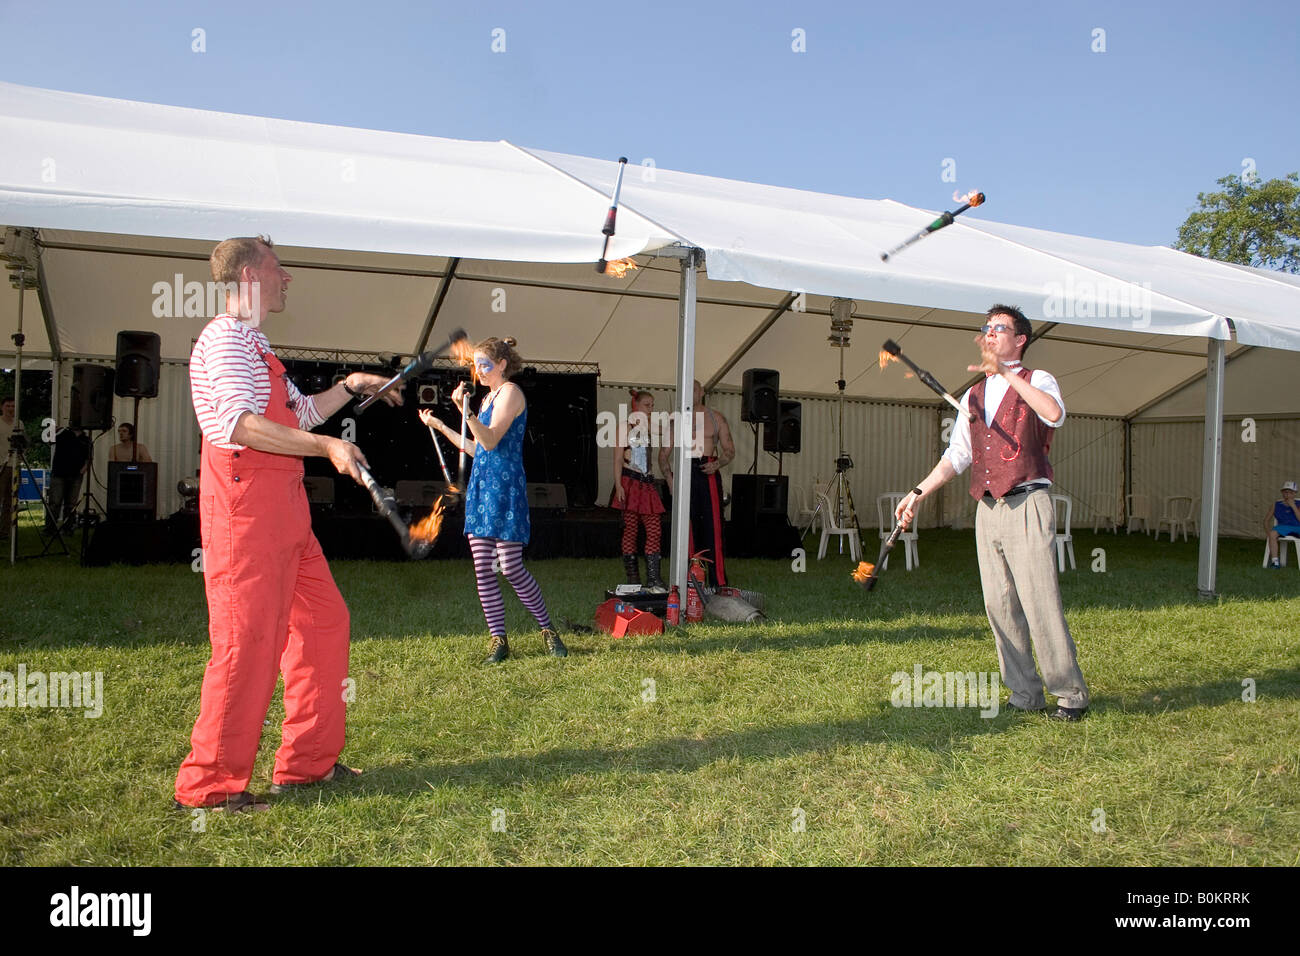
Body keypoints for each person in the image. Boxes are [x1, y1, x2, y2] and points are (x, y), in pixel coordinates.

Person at [174, 235, 401, 813]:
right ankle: (211, 788)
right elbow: (241, 426)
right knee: (245, 645)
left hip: (287, 519)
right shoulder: (223, 340)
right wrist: (327, 448)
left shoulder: (255, 346)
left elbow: (297, 413)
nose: (288, 279)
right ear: (250, 273)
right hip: (245, 516)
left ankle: (306, 766)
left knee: (325, 622)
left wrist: (351, 386)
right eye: (279, 269)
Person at [895, 304, 1090, 722]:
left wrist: (1006, 375)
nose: (989, 334)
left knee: (1039, 601)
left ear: (1019, 340)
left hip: (1026, 503)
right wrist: (919, 491)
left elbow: (1053, 414)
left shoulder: (1038, 380)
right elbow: (959, 454)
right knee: (999, 604)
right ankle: (1023, 692)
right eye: (986, 328)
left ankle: (1069, 694)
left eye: (999, 328)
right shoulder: (974, 394)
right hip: (988, 507)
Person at [424, 337, 566, 664]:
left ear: (502, 364)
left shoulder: (511, 393)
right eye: (476, 365)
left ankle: (548, 630)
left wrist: (467, 411)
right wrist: (441, 424)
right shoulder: (487, 399)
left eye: (485, 364)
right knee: (484, 569)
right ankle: (499, 640)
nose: (479, 371)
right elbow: (475, 450)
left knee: (511, 566)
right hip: (482, 487)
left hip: (504, 488)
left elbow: (489, 441)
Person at [658, 379, 735, 587]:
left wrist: (718, 463)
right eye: (685, 391)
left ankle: (718, 583)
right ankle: (688, 581)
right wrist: (670, 480)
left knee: (713, 527)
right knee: (686, 529)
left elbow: (730, 450)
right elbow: (663, 455)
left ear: (701, 392)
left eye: (692, 390)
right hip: (684, 472)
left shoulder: (715, 417)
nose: (689, 394)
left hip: (707, 470)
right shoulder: (676, 420)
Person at [612, 388, 667, 590]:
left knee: (654, 529)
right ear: (636, 405)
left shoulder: (649, 427)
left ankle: (653, 578)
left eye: (653, 406)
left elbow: (666, 429)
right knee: (630, 530)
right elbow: (618, 458)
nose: (651, 409)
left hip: (647, 483)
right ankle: (633, 578)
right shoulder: (623, 427)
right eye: (647, 405)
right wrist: (618, 485)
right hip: (629, 482)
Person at [45, 424, 90, 533]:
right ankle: (50, 528)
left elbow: (89, 457)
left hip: (76, 475)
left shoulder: (86, 439)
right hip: (59, 473)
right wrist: (53, 430)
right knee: (55, 502)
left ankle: (68, 527)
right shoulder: (63, 434)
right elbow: (49, 441)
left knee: (71, 504)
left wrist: (84, 468)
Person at [1265, 480, 1300, 568]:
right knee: (1273, 534)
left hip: (1297, 527)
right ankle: (1275, 562)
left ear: (1295, 493)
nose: (1287, 495)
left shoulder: (1299, 503)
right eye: (1285, 492)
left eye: (1290, 492)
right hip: (1283, 527)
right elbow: (1266, 520)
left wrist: (1293, 506)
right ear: (1282, 492)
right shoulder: (1276, 504)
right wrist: (1268, 532)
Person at [1, 397, 16, 539]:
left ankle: (5, 531)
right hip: (1, 464)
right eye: (8, 406)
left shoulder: (19, 423)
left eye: (12, 406)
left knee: (9, 500)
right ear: (2, 407)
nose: (10, 409)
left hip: (14, 465)